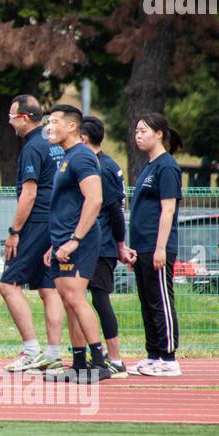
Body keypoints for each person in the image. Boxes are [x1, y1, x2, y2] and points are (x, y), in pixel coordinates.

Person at [41, 104, 111, 382]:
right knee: (69, 301)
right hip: (63, 239)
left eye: (55, 121)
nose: (50, 126)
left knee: (75, 298)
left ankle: (100, 362)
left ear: (72, 126)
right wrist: (54, 243)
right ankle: (79, 363)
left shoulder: (81, 156)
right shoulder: (67, 157)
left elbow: (95, 199)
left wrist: (74, 240)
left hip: (78, 240)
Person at [0, 95, 68, 374]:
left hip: (36, 222)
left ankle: (31, 351)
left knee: (8, 285)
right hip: (56, 222)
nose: (9, 122)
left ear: (25, 118)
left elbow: (29, 193)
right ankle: (52, 354)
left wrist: (14, 231)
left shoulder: (32, 147)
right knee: (49, 289)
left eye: (11, 116)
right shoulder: (54, 144)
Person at [124, 113, 184, 377]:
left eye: (144, 131)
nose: (138, 135)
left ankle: (169, 358)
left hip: (157, 246)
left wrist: (161, 248)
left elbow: (167, 210)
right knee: (147, 302)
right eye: (136, 131)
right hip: (142, 247)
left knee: (161, 300)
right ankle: (153, 355)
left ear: (159, 134)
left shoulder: (167, 166)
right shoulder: (147, 167)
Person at [80, 117, 130, 377]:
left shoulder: (101, 167)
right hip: (91, 244)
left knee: (100, 299)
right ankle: (93, 354)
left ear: (84, 138)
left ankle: (115, 358)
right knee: (81, 300)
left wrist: (120, 244)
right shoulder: (96, 163)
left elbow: (115, 210)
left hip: (102, 245)